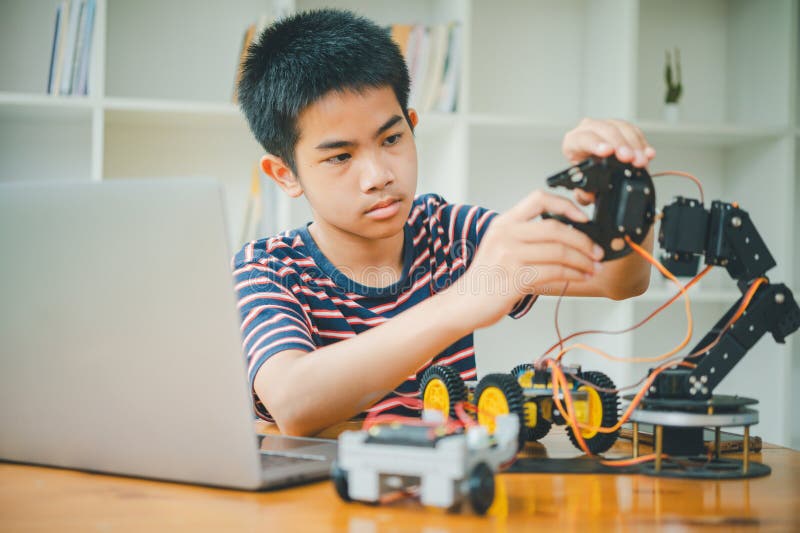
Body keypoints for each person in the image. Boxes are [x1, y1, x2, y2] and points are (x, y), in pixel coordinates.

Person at [233, 9, 655, 436]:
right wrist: (462, 300)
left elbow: (620, 279)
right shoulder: (266, 270)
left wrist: (623, 180)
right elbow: (292, 403)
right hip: (316, 499)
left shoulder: (451, 234)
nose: (379, 175)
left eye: (392, 139)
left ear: (412, 127)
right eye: (340, 157)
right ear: (285, 174)